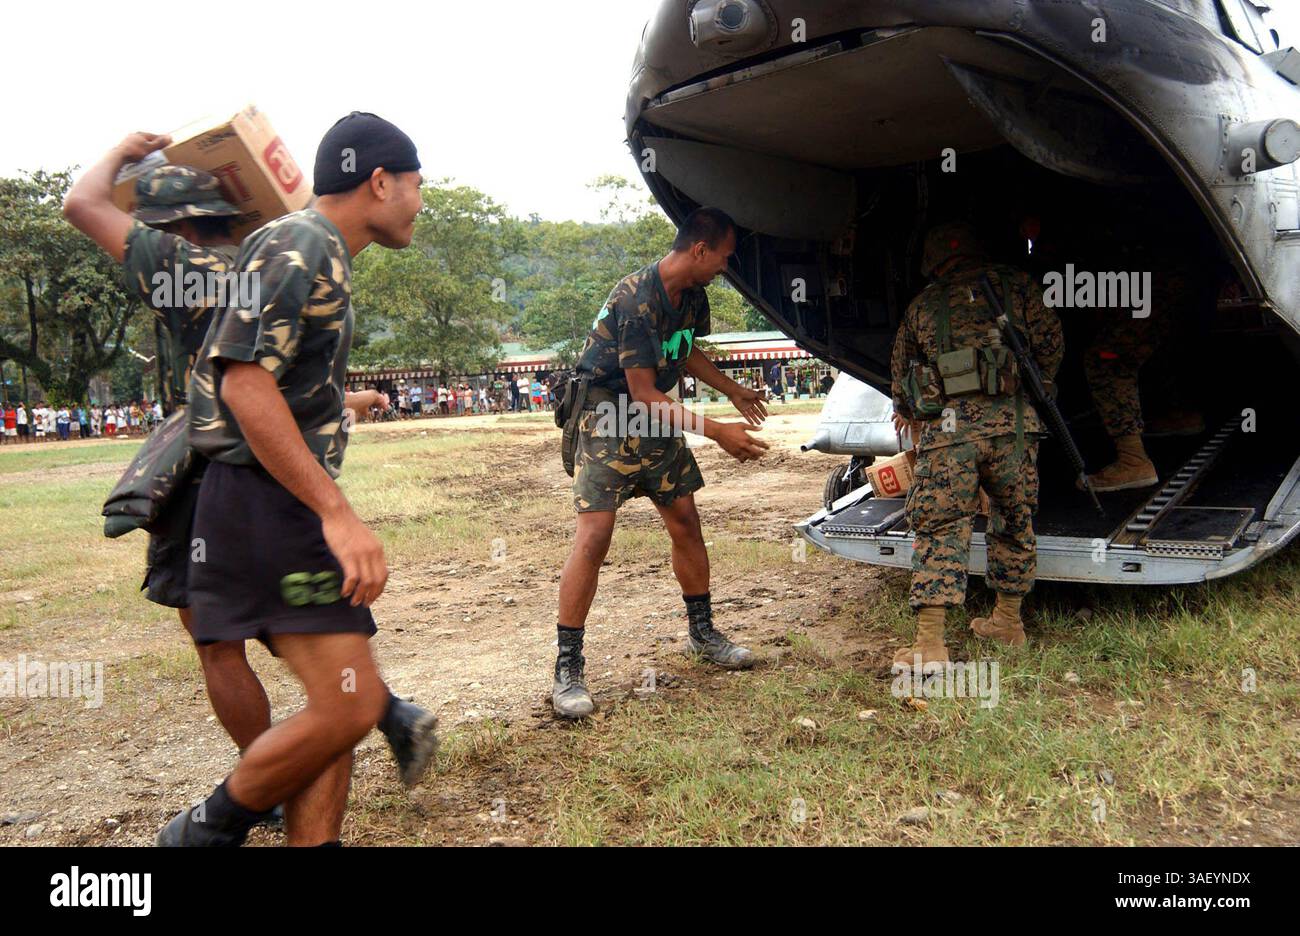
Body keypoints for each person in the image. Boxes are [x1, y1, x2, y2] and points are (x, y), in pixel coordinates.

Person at [154, 112, 437, 847]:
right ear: (380, 182)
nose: (419, 202)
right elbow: (245, 384)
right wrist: (336, 513)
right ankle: (205, 831)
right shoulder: (299, 241)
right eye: (415, 185)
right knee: (350, 704)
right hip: (263, 502)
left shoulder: (317, 249)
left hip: (265, 500)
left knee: (339, 700)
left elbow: (270, 383)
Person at [552, 207, 770, 719]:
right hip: (608, 416)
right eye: (723, 256)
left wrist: (733, 390)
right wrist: (717, 432)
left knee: (685, 521)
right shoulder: (634, 297)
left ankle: (703, 634)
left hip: (654, 416)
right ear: (699, 250)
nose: (725, 266)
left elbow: (683, 349)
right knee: (595, 537)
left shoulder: (692, 295)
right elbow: (644, 392)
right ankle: (568, 666)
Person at [889, 222, 1063, 667]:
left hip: (950, 435)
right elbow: (1051, 346)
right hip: (1015, 429)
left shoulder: (922, 306)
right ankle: (1007, 622)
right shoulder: (1019, 287)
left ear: (934, 260)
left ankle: (930, 646)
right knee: (1013, 518)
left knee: (941, 527)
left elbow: (903, 384)